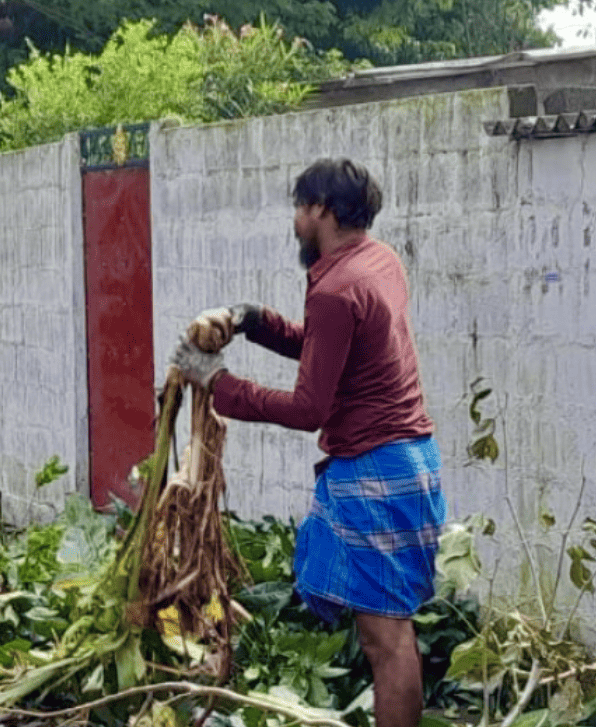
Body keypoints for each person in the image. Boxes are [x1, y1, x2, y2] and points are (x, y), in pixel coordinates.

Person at [173, 158, 444, 727]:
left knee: (384, 639)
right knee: (389, 630)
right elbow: (324, 351)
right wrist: (249, 319)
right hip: (408, 460)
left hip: (376, 469)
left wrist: (217, 383)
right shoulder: (378, 261)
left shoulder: (337, 288)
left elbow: (309, 407)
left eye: (299, 207)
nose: (295, 220)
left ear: (321, 208)